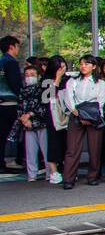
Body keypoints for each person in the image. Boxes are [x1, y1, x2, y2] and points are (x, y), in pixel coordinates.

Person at [60, 55, 105, 189]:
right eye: (81, 64)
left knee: (95, 148)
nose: (83, 66)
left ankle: (93, 176)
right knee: (72, 148)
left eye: (87, 64)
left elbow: (100, 102)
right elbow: (69, 99)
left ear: (94, 66)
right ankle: (68, 179)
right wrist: (78, 113)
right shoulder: (73, 81)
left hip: (94, 116)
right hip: (76, 115)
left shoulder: (101, 83)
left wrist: (91, 117)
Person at [17, 63, 48, 181]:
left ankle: (49, 172)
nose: (29, 77)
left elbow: (43, 106)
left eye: (32, 74)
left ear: (38, 76)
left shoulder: (42, 89)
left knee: (46, 150)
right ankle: (32, 175)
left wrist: (29, 115)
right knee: (30, 151)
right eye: (26, 75)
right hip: (27, 124)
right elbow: (20, 107)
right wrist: (24, 119)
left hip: (42, 123)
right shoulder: (23, 90)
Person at [41, 56, 68, 185]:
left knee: (67, 142)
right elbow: (47, 98)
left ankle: (66, 170)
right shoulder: (46, 80)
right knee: (53, 142)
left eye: (63, 67)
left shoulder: (68, 79)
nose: (62, 70)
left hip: (66, 115)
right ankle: (53, 171)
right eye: (59, 68)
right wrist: (57, 79)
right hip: (52, 115)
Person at [0, 35, 21, 173]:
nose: (18, 49)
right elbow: (15, 84)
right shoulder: (11, 62)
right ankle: (1, 165)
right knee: (3, 135)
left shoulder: (1, 61)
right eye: (18, 46)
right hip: (8, 103)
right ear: (11, 47)